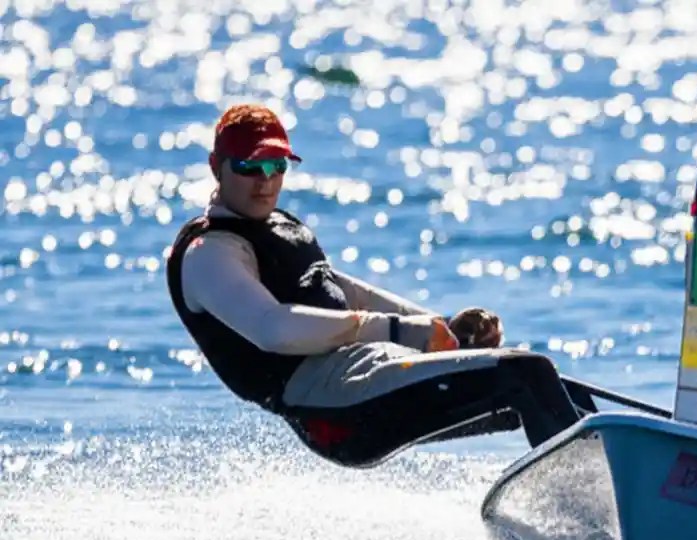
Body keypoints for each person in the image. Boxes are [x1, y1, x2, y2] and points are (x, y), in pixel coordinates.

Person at [166, 104, 594, 467]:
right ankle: (589, 517)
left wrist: (438, 326)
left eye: (276, 166)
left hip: (371, 370)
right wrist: (396, 330)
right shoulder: (209, 253)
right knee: (525, 373)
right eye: (249, 167)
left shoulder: (277, 227)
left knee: (558, 391)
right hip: (333, 409)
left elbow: (341, 291)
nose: (265, 181)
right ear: (215, 167)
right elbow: (274, 329)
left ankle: (616, 503)